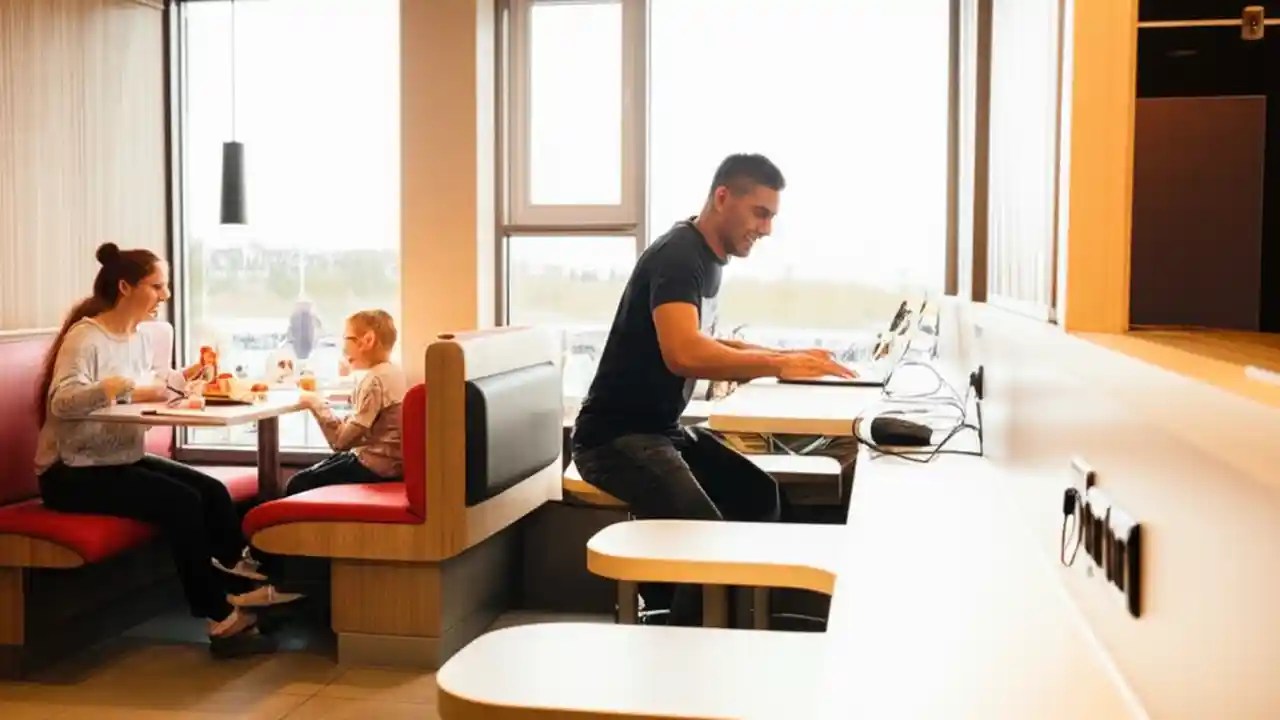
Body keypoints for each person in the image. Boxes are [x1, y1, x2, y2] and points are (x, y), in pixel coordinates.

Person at [571, 153, 854, 625]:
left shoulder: (706, 257)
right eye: (759, 213)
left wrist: (788, 357)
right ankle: (688, 652)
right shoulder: (679, 256)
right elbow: (683, 354)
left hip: (660, 432)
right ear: (723, 197)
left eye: (771, 217)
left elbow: (704, 340)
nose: (765, 230)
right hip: (613, 440)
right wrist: (777, 366)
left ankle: (730, 622)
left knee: (759, 495)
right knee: (709, 540)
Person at [35, 242, 270, 654]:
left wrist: (189, 377)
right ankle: (217, 614)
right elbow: (60, 402)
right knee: (181, 503)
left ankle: (242, 587)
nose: (165, 295)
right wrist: (106, 388)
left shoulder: (140, 337)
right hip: (70, 472)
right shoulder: (85, 337)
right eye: (157, 286)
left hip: (118, 458)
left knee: (212, 492)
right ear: (125, 286)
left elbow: (146, 390)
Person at [230, 309, 407, 608]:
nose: (343, 348)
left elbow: (340, 442)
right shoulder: (393, 372)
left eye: (346, 339)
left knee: (301, 484)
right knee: (305, 479)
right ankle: (270, 566)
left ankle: (285, 579)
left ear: (367, 340)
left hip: (376, 466)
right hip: (388, 464)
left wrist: (316, 404)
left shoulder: (374, 381)